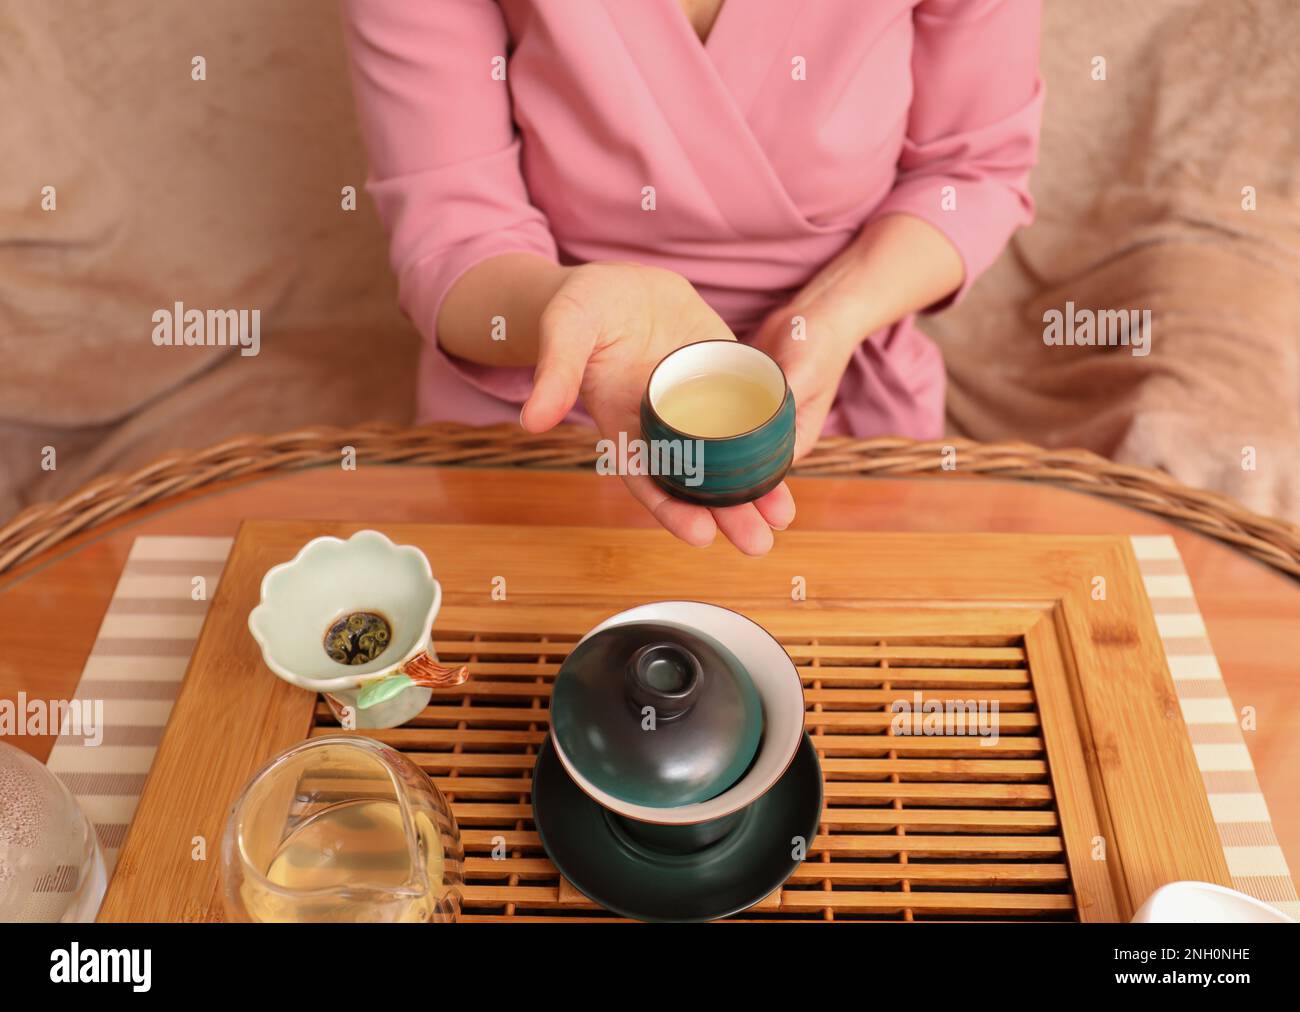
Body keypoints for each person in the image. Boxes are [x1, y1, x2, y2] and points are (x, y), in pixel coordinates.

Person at [341, 0, 1043, 555]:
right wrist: (570, 311)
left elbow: (972, 171)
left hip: (843, 390)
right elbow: (452, 228)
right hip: (538, 384)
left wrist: (831, 317)